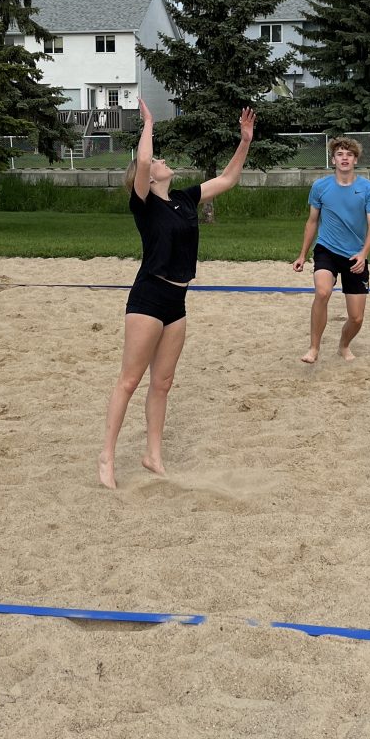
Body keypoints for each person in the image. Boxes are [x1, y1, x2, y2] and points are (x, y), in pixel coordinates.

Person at [97, 99, 256, 489]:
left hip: (177, 301)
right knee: (129, 381)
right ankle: (107, 456)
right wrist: (148, 124)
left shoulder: (184, 199)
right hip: (148, 297)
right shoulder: (145, 203)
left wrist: (245, 141)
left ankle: (153, 454)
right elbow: (145, 157)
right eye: (156, 161)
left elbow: (228, 179)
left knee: (163, 382)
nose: (162, 161)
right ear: (148, 175)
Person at [291, 136, 370, 364]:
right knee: (322, 292)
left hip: (355, 255)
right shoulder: (320, 187)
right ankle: (314, 348)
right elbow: (312, 222)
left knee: (357, 318)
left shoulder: (368, 189)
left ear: (355, 160)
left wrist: (364, 253)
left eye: (349, 155)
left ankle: (343, 345)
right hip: (326, 249)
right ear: (333, 159)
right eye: (340, 154)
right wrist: (303, 254)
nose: (344, 158)